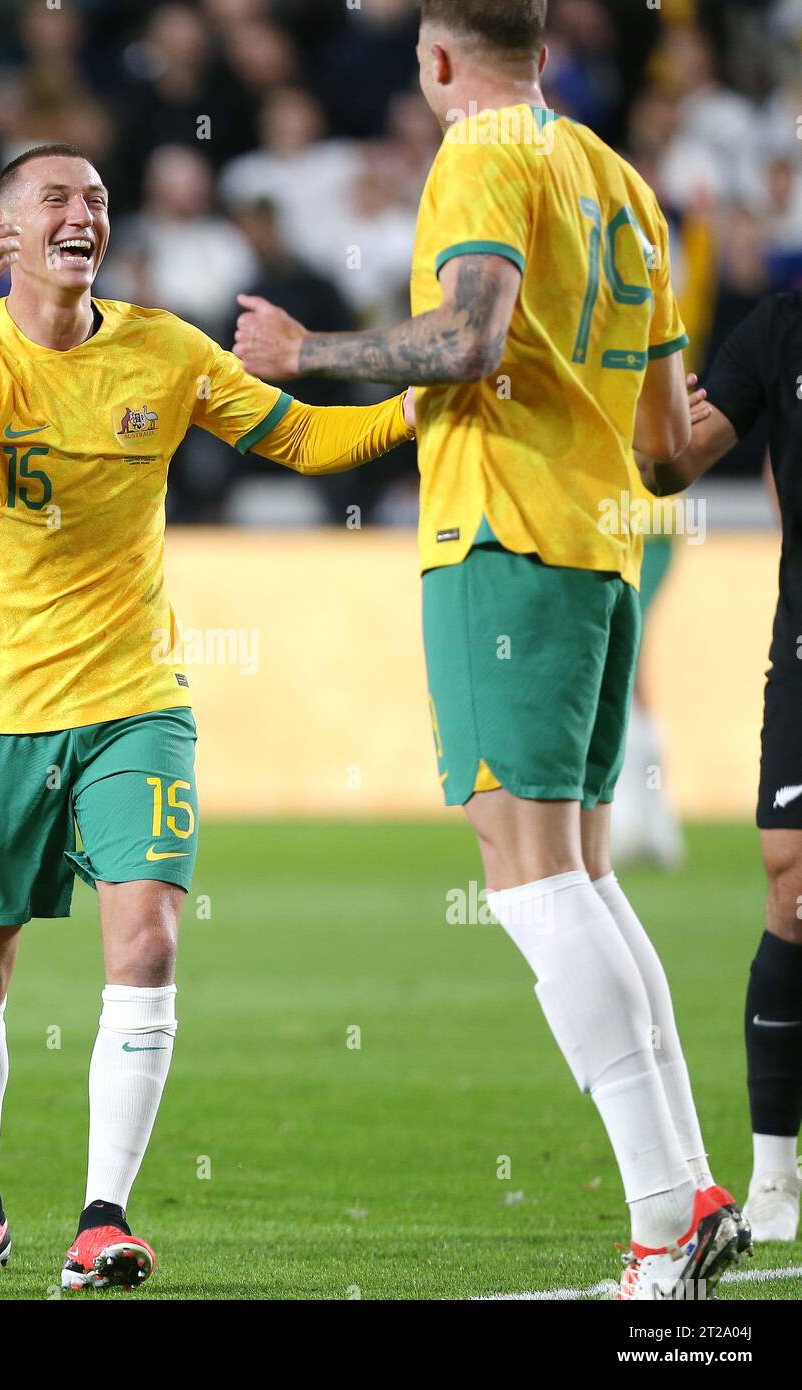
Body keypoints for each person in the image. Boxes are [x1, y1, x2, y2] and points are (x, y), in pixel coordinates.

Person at [232, 0, 748, 1299]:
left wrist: (308, 355)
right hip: (602, 553)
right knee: (581, 875)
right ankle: (686, 1191)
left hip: (503, 543)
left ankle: (660, 1211)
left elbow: (467, 340)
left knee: (525, 881)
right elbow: (666, 446)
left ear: (440, 58)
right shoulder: (617, 178)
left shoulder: (481, 153)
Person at [0, 142, 411, 1291]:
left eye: (98, 199)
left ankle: (102, 1216)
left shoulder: (164, 350)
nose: (85, 213)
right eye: (57, 197)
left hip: (134, 702)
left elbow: (302, 437)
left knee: (149, 940)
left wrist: (417, 399)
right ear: (3, 227)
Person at [640, 287, 802, 1244]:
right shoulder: (779, 326)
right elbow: (672, 467)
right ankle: (775, 1176)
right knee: (789, 877)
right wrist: (649, 406)